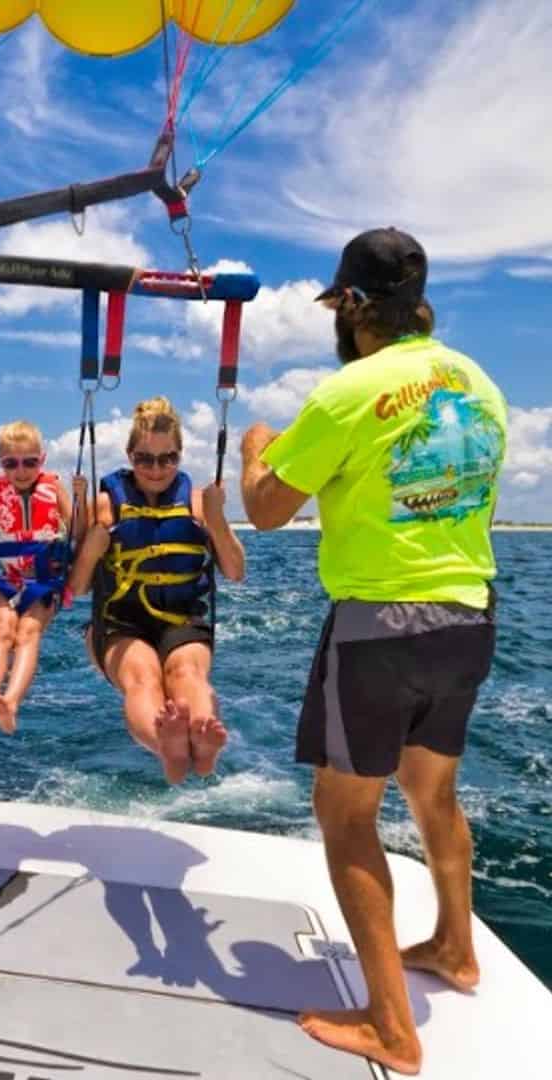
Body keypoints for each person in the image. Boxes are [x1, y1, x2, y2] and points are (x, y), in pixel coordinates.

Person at [239, 227, 507, 1075]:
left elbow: (269, 510)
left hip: (380, 627)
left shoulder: (351, 392)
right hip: (470, 616)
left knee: (346, 816)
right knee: (433, 791)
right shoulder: (483, 384)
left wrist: (256, 455)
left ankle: (393, 1028)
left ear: (350, 306)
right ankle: (456, 949)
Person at [68, 396, 245, 783]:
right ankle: (166, 744)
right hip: (118, 624)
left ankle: (201, 738)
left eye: (168, 459)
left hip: (182, 618)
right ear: (130, 456)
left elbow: (234, 571)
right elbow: (77, 589)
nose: (156, 469)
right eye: (145, 459)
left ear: (180, 457)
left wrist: (217, 522)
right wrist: (91, 550)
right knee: (143, 676)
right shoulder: (106, 504)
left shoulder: (199, 503)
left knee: (187, 673)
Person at [0, 420, 87, 734]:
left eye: (29, 462)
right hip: (5, 578)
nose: (21, 470)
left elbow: (78, 531)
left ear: (41, 460)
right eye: (11, 463)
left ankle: (11, 702)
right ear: (1, 464)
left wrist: (80, 499)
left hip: (44, 580)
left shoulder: (54, 487)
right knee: (2, 631)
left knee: (28, 632)